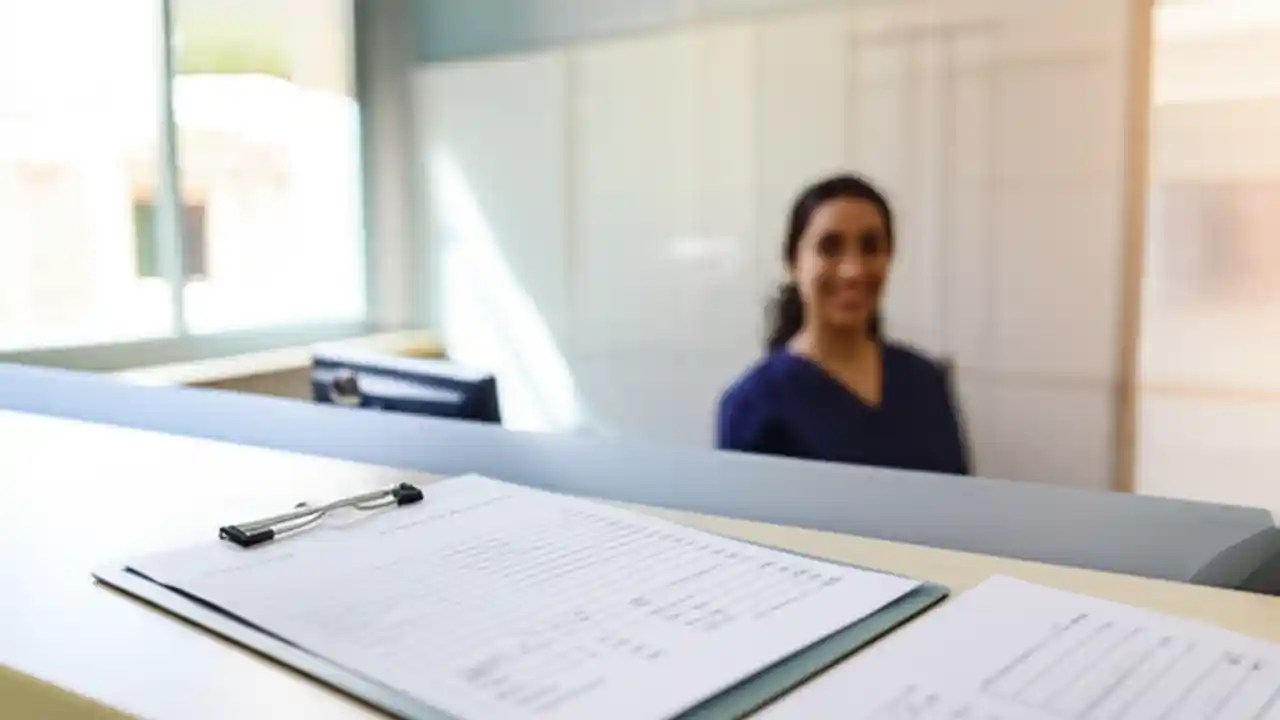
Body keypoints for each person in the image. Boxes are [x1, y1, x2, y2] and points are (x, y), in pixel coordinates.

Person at [717, 175, 969, 475]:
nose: (853, 270)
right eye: (830, 247)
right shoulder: (753, 404)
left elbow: (961, 504)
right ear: (793, 261)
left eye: (870, 247)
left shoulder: (925, 382)